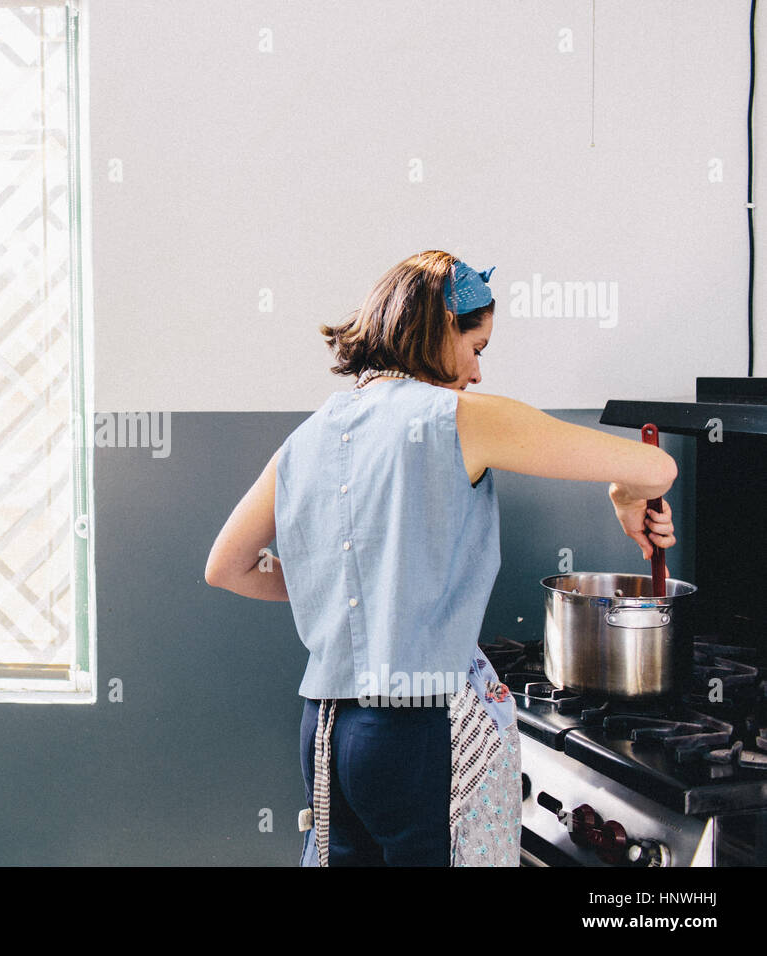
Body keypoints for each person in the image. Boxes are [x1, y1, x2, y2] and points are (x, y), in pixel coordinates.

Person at [203, 250, 677, 866]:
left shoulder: (314, 432)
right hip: (416, 732)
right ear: (439, 330)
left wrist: (351, 584)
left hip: (325, 732)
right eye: (477, 347)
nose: (477, 372)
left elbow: (227, 566)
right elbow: (656, 466)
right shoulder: (462, 419)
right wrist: (623, 494)